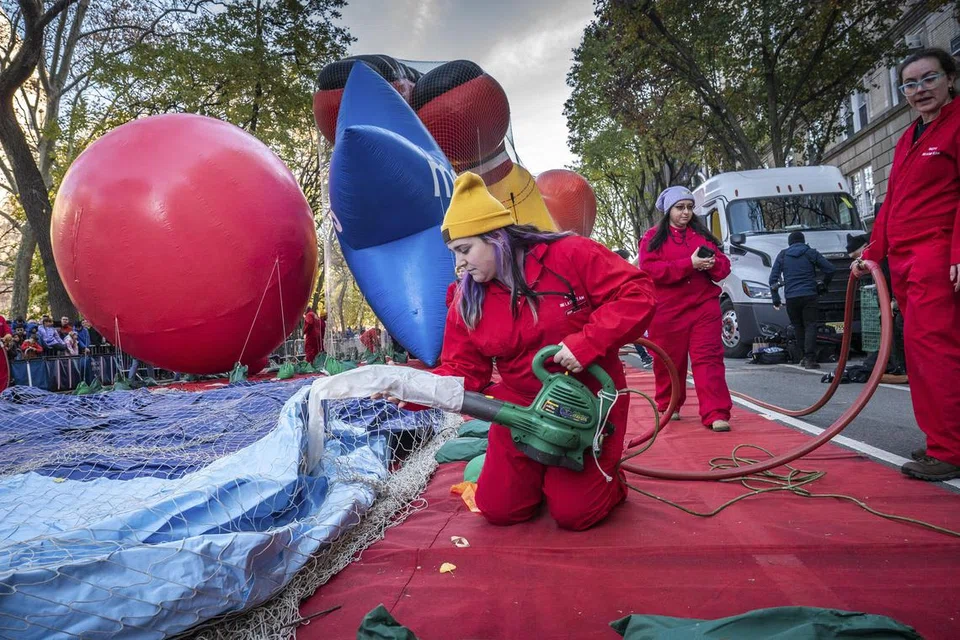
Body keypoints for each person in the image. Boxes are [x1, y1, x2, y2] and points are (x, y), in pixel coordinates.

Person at [381, 172, 656, 530]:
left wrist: (586, 343)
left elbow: (638, 294)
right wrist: (414, 390)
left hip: (588, 401)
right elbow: (466, 371)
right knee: (499, 510)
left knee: (576, 515)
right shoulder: (467, 299)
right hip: (520, 409)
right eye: (453, 254)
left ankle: (607, 481)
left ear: (496, 237)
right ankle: (543, 476)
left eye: (465, 250)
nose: (459, 265)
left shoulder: (571, 255)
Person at [853, 47, 960, 481]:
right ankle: (943, 439)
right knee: (920, 353)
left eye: (929, 79)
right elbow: (891, 202)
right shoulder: (909, 136)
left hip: (937, 256)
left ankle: (949, 448)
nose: (920, 90)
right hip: (906, 263)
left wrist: (957, 252)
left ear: (950, 78)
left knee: (936, 352)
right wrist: (871, 254)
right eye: (910, 84)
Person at [639, 186, 733, 432]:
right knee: (668, 361)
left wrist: (711, 264)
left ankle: (716, 412)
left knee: (709, 359)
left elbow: (724, 268)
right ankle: (669, 405)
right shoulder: (651, 238)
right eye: (680, 208)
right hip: (667, 311)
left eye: (690, 207)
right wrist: (689, 264)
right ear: (669, 210)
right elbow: (650, 270)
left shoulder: (702, 236)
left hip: (704, 307)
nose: (686, 213)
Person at [768, 231, 836, 369]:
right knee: (810, 325)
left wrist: (776, 299)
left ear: (790, 243)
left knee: (798, 326)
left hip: (791, 297)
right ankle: (810, 359)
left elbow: (772, 279)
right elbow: (830, 269)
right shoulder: (810, 252)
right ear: (803, 241)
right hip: (809, 294)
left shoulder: (783, 255)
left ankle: (803, 357)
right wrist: (823, 284)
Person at [613, 248, 654, 368]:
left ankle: (645, 357)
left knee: (635, 334)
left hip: (628, 308)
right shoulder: (616, 271)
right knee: (633, 334)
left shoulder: (624, 270)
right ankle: (645, 357)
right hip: (619, 309)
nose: (627, 260)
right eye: (625, 258)